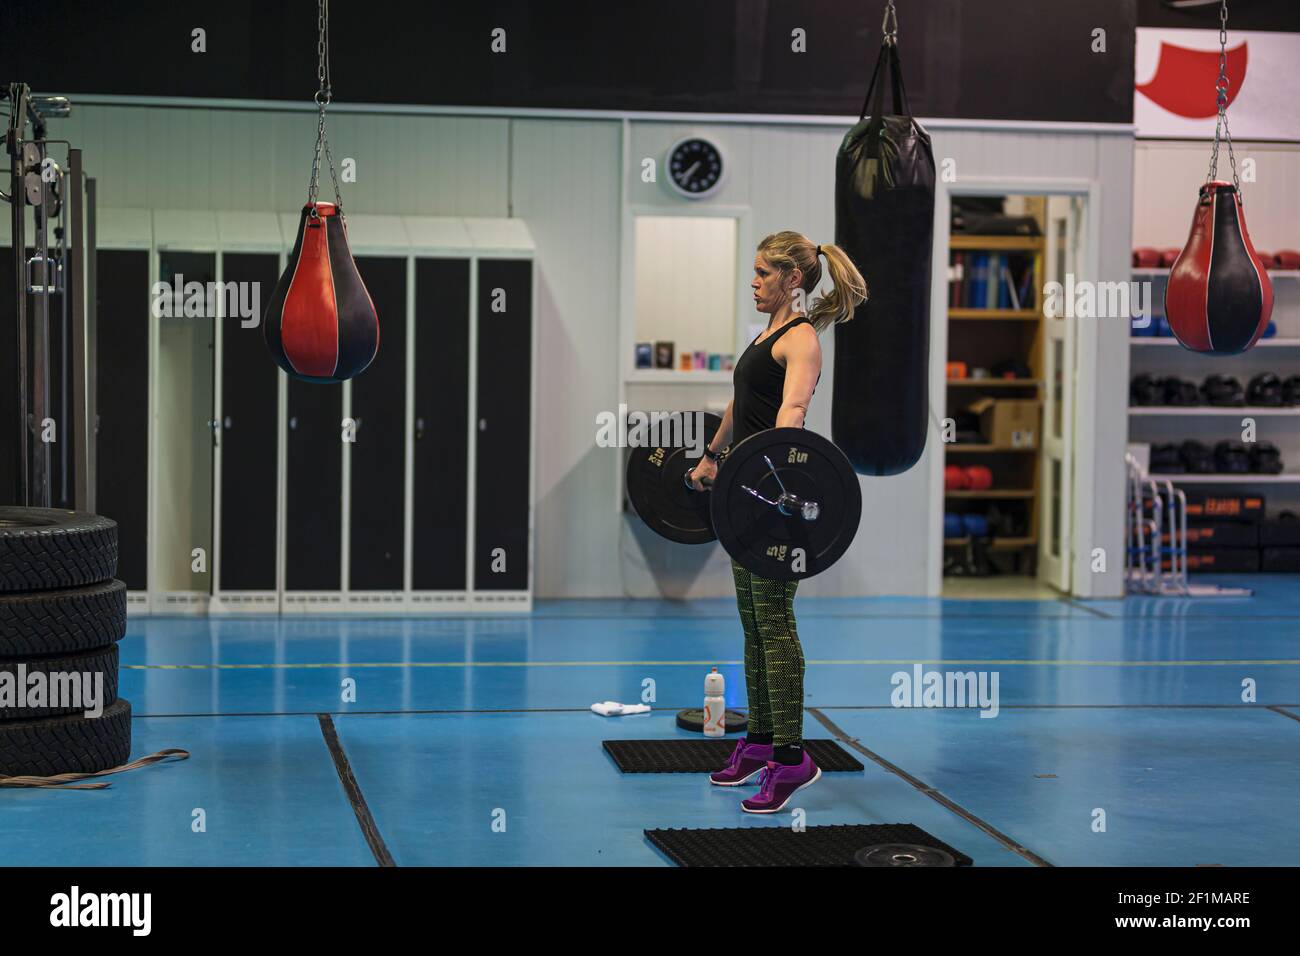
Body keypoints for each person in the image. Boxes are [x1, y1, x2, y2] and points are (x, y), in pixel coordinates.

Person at [689, 230, 866, 813]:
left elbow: (792, 413)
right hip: (746, 497)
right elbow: (741, 406)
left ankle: (793, 759)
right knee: (752, 622)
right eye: (755, 271)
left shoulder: (803, 339)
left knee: (775, 622)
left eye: (764, 272)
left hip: (778, 504)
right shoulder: (765, 336)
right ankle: (760, 743)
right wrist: (714, 458)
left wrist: (755, 474)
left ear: (794, 278)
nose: (754, 281)